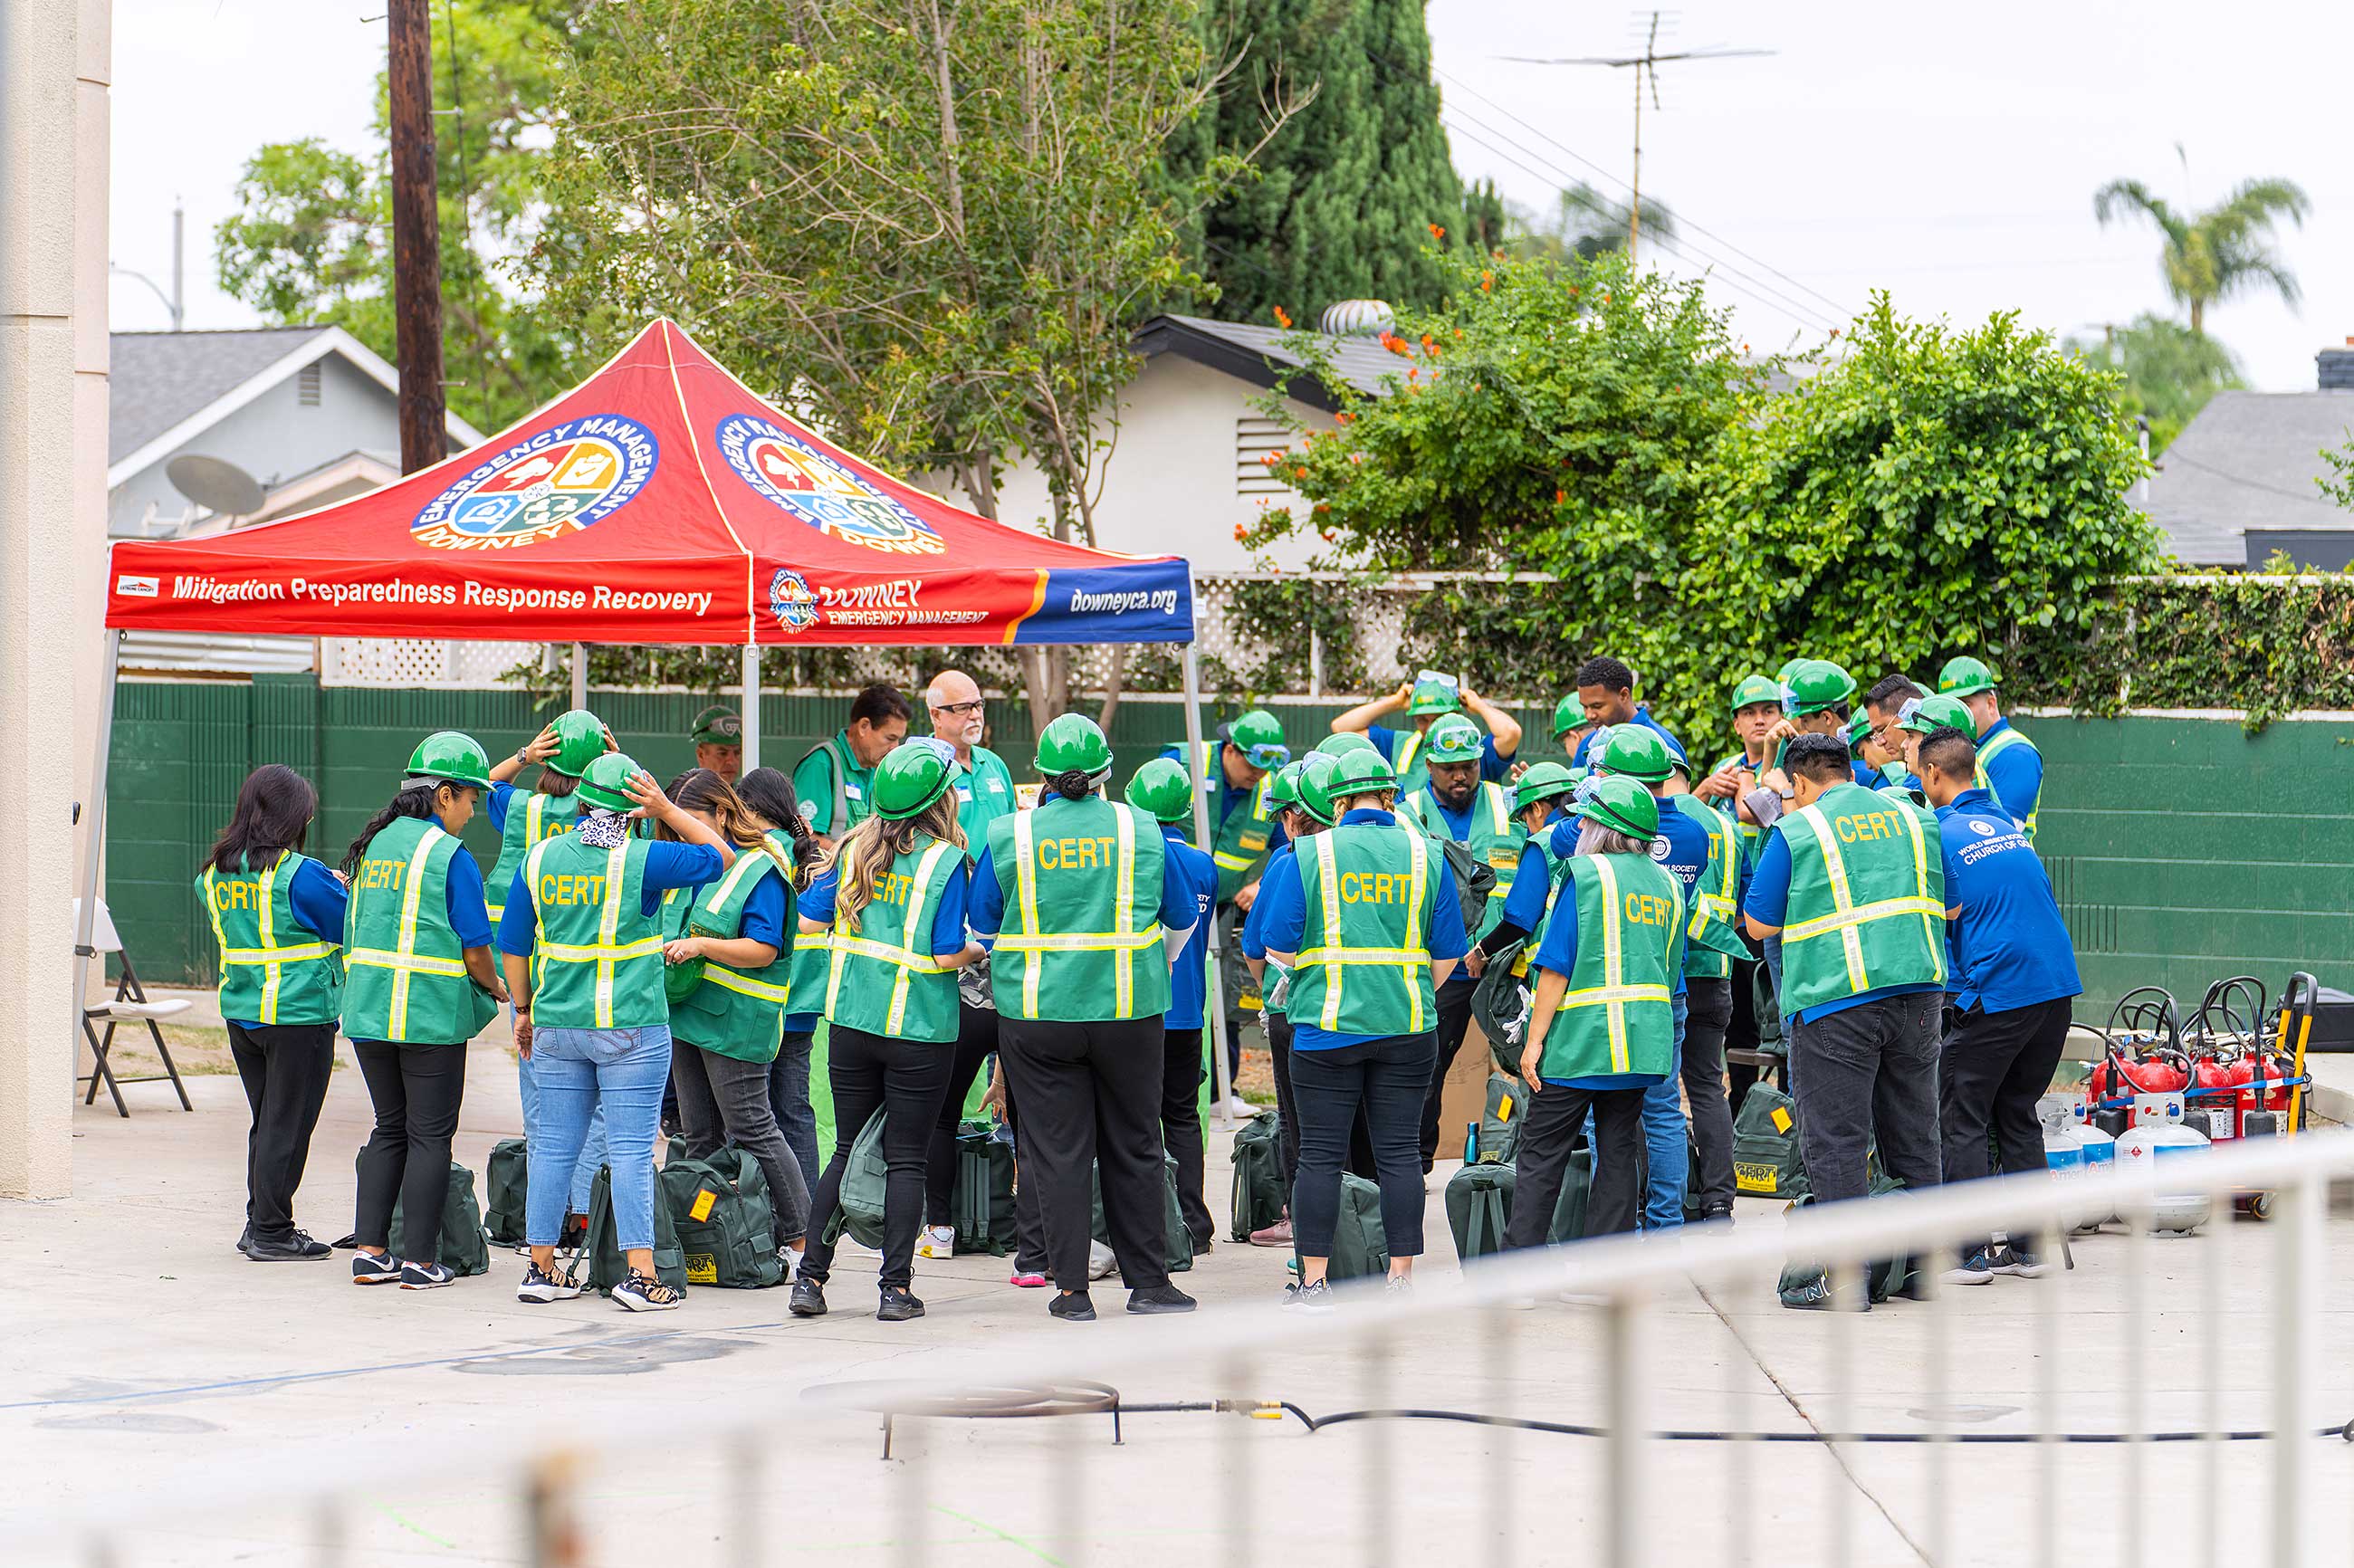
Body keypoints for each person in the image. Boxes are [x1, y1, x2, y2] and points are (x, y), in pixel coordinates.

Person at [971, 714, 1201, 1322]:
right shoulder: (1140, 827)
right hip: (1129, 1010)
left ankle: (1072, 1292)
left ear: (1042, 776)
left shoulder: (1010, 833)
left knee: (1056, 1152)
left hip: (1037, 1016)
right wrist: (1156, 963)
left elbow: (983, 926)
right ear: (1106, 773)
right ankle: (1149, 1284)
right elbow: (1181, 917)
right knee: (1136, 1143)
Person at [501, 753, 731, 1312]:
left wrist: (525, 1010)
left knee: (553, 1146)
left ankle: (541, 1269)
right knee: (629, 1151)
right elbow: (719, 856)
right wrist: (666, 808)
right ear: (633, 809)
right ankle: (640, 1276)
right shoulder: (643, 859)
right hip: (630, 1026)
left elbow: (513, 944)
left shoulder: (540, 858)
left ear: (581, 802)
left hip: (557, 1026)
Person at [1742, 734, 1953, 1309]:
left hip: (1835, 1003)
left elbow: (1758, 925)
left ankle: (1847, 1279)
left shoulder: (1797, 830)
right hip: (1919, 995)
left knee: (1837, 1142)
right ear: (1850, 771)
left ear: (1798, 782)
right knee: (1916, 1136)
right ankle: (1920, 1271)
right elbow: (1952, 905)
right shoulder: (1916, 819)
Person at [1258, 747, 1469, 1309]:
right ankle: (1399, 1281)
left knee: (1320, 1157)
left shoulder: (1311, 853)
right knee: (1400, 1155)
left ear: (1337, 801)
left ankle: (1315, 1284)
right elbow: (1448, 954)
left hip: (1326, 1028)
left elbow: (1277, 946)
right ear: (1391, 796)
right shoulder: (1427, 854)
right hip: (1407, 1026)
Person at [790, 741, 986, 1322]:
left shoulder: (852, 848)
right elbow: (948, 953)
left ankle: (810, 1281)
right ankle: (894, 1291)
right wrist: (981, 952)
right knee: (906, 1161)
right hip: (919, 1031)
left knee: (845, 1150)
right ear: (942, 800)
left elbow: (809, 919)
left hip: (852, 1024)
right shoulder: (946, 861)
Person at [340, 733, 510, 1289]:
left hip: (369, 1012)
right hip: (428, 1017)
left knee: (389, 1128)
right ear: (443, 795)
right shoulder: (449, 855)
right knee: (431, 1136)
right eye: (471, 799)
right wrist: (498, 987)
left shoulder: (374, 844)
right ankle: (419, 1261)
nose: (473, 812)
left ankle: (371, 1253)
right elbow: (476, 948)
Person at [1915, 726, 2081, 1284]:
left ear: (1934, 775)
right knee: (2016, 1110)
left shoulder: (1938, 834)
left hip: (2001, 992)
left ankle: (1966, 1254)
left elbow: (1947, 917)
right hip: (2055, 989)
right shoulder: (2009, 827)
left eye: (1918, 773)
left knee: (1961, 1115)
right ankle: (2032, 1250)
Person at [1565, 726, 1742, 1229]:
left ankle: (1618, 1224)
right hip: (1681, 983)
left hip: (1616, 986)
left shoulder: (1604, 831)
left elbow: (1561, 842)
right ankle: (1677, 1218)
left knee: (1607, 1112)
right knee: (1677, 1103)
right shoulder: (1698, 832)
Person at [1507, 776, 1687, 1252]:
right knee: (1618, 1151)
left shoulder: (1585, 876)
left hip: (1579, 1046)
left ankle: (1517, 1270)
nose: (1580, 827)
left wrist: (1533, 1041)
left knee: (1543, 1154)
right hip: (1640, 1047)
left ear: (1602, 828)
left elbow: (1555, 967)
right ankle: (1605, 1272)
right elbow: (1670, 969)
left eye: (1586, 820)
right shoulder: (1669, 884)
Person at [657, 768, 810, 1273]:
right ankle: (708, 1238)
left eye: (692, 820)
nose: (685, 833)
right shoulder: (692, 859)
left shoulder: (760, 867)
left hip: (736, 1022)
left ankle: (803, 1241)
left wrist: (701, 946)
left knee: (752, 1127)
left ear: (722, 813)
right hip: (688, 1014)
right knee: (699, 1134)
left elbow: (764, 948)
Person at [200, 765, 348, 1262]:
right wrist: (339, 887)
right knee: (288, 1126)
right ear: (289, 817)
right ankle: (271, 1231)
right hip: (297, 1016)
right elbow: (347, 923)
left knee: (268, 1122)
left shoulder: (214, 873)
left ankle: (258, 1222)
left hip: (243, 1014)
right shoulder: (299, 874)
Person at [484, 709, 610, 1249]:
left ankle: (548, 1221)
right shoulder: (612, 816)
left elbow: (482, 784)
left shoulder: (523, 810)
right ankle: (585, 1217)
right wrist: (617, 759)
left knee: (542, 1108)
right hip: (595, 981)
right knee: (599, 1107)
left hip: (532, 983)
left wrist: (522, 756)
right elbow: (649, 806)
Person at [1392, 712, 1526, 1172]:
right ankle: (1416, 1157)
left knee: (1524, 1058)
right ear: (1429, 765)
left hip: (1505, 960)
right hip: (1444, 962)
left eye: (1468, 765)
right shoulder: (1406, 812)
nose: (1460, 776)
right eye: (1449, 768)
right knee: (1428, 1063)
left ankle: (1520, 1156)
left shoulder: (1506, 803)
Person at [1163, 709, 1289, 1116]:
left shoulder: (1268, 788)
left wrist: (1260, 884)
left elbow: (1286, 847)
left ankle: (1222, 1089)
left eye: (1265, 768)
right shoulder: (1183, 761)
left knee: (1224, 993)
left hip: (1221, 907)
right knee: (1170, 982)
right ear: (1230, 750)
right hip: (1168, 899)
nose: (1258, 775)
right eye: (1252, 765)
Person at [1124, 756, 1222, 1250]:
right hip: (1188, 1011)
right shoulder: (1204, 865)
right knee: (1182, 1117)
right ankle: (1194, 1226)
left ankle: (1150, 1226)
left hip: (1139, 1008)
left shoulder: (1133, 855)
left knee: (1137, 1121)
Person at [1239, 755, 1335, 1242]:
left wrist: (1272, 994)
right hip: (1364, 1011)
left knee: (1300, 1121)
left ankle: (1300, 1218)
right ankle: (1361, 1212)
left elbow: (1257, 947)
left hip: (1294, 1013)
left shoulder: (1287, 861)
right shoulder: (1375, 856)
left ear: (1296, 816)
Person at [733, 768, 825, 1190]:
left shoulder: (756, 853)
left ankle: (759, 1210)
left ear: (748, 807)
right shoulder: (812, 854)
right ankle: (807, 1210)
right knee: (795, 1111)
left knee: (752, 1117)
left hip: (763, 1001)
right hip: (804, 1002)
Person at [1329, 672, 1522, 797]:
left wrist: (1479, 705)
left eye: (1438, 718)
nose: (1430, 727)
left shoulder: (1471, 750)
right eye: (1422, 719)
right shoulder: (1397, 744)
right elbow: (1341, 728)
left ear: (1456, 714)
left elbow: (1510, 733)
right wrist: (1394, 702)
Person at [793, 684, 912, 848]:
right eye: (890, 738)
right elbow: (804, 837)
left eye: (899, 739)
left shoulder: (880, 770)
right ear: (864, 726)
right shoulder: (821, 764)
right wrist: (856, 857)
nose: (895, 747)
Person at [1938, 655, 2043, 839]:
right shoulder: (1970, 746)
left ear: (1991, 704)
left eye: (1965, 704)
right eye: (1952, 705)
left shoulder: (2016, 753)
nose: (1957, 713)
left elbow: (2003, 832)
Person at [925, 670, 1019, 846]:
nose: (975, 715)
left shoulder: (994, 763)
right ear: (936, 716)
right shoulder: (925, 769)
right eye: (963, 708)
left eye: (979, 705)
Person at [1567, 656, 1686, 770]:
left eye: (1597, 706)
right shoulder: (1588, 745)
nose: (1589, 715)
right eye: (1585, 707)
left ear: (1624, 695)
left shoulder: (1661, 745)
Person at [690, 704, 744, 784]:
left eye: (737, 753)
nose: (731, 761)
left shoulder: (748, 791)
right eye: (722, 753)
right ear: (701, 755)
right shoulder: (684, 791)